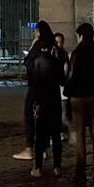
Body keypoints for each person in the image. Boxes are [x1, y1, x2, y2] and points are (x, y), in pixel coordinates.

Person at [65, 21, 94, 187]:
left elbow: (71, 77)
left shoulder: (77, 54)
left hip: (78, 98)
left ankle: (81, 170)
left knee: (80, 135)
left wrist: (67, 92)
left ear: (81, 36)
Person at [14, 20, 57, 161]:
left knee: (30, 117)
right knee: (46, 119)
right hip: (51, 88)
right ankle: (44, 149)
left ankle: (29, 149)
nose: (34, 33)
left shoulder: (38, 45)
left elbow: (29, 62)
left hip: (36, 87)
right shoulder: (53, 45)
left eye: (36, 30)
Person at [27, 25, 65, 178]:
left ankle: (38, 167)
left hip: (40, 97)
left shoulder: (36, 55)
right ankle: (57, 166)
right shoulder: (55, 56)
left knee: (40, 133)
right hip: (54, 97)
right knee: (56, 134)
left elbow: (29, 74)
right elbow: (62, 78)